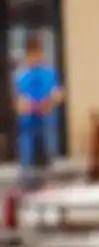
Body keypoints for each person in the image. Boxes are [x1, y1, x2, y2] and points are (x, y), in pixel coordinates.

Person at [14, 36, 64, 176]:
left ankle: (49, 164)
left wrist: (49, 102)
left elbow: (57, 93)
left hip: (45, 113)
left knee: (48, 137)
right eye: (31, 54)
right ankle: (27, 168)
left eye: (37, 53)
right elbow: (19, 97)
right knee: (27, 140)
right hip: (29, 116)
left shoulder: (49, 73)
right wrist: (26, 105)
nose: (34, 57)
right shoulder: (22, 74)